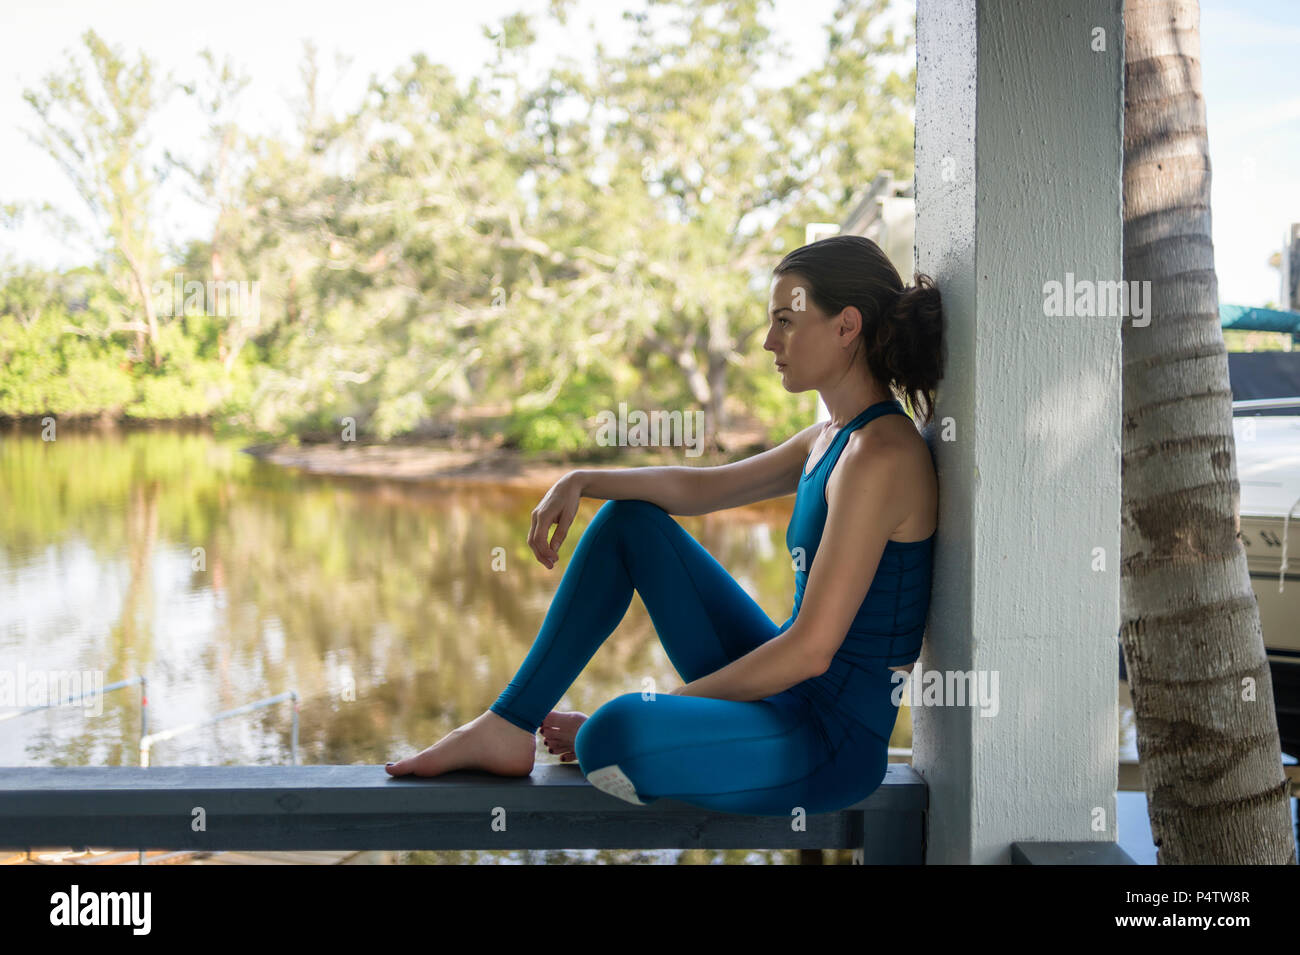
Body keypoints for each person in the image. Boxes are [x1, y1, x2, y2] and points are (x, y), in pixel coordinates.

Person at [386, 234, 944, 816]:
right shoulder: (830, 438)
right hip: (783, 693)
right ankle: (508, 723)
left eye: (785, 321)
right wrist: (583, 478)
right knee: (629, 523)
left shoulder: (881, 455)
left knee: (612, 736)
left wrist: (671, 709)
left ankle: (653, 729)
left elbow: (810, 651)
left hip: (828, 741)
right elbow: (700, 488)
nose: (768, 341)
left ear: (845, 325)